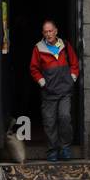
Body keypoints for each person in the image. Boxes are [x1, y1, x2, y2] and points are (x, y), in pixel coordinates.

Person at [29, 19, 80, 161]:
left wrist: (72, 78)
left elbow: (74, 63)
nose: (48, 34)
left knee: (65, 117)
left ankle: (65, 147)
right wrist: (43, 82)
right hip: (49, 92)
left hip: (65, 91)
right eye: (46, 32)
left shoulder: (65, 45)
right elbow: (33, 68)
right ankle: (52, 150)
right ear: (43, 33)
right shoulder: (38, 48)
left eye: (50, 31)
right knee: (50, 121)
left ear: (56, 31)